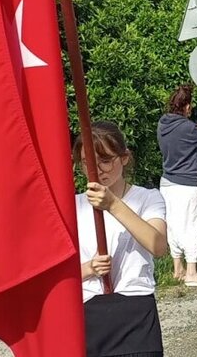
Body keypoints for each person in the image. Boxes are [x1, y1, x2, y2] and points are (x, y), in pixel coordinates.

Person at [75, 121, 169, 357]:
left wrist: (113, 205)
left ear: (124, 157)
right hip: (87, 311)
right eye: (88, 163)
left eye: (106, 160)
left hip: (135, 310)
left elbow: (158, 246)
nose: (98, 170)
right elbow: (53, 271)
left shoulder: (148, 198)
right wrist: (87, 269)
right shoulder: (71, 206)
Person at [157, 84, 197, 285]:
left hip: (167, 182)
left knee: (173, 226)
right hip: (188, 183)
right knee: (193, 224)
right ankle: (192, 272)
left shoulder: (163, 124)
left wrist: (196, 129)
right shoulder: (188, 128)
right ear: (187, 107)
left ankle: (177, 268)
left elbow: (184, 138)